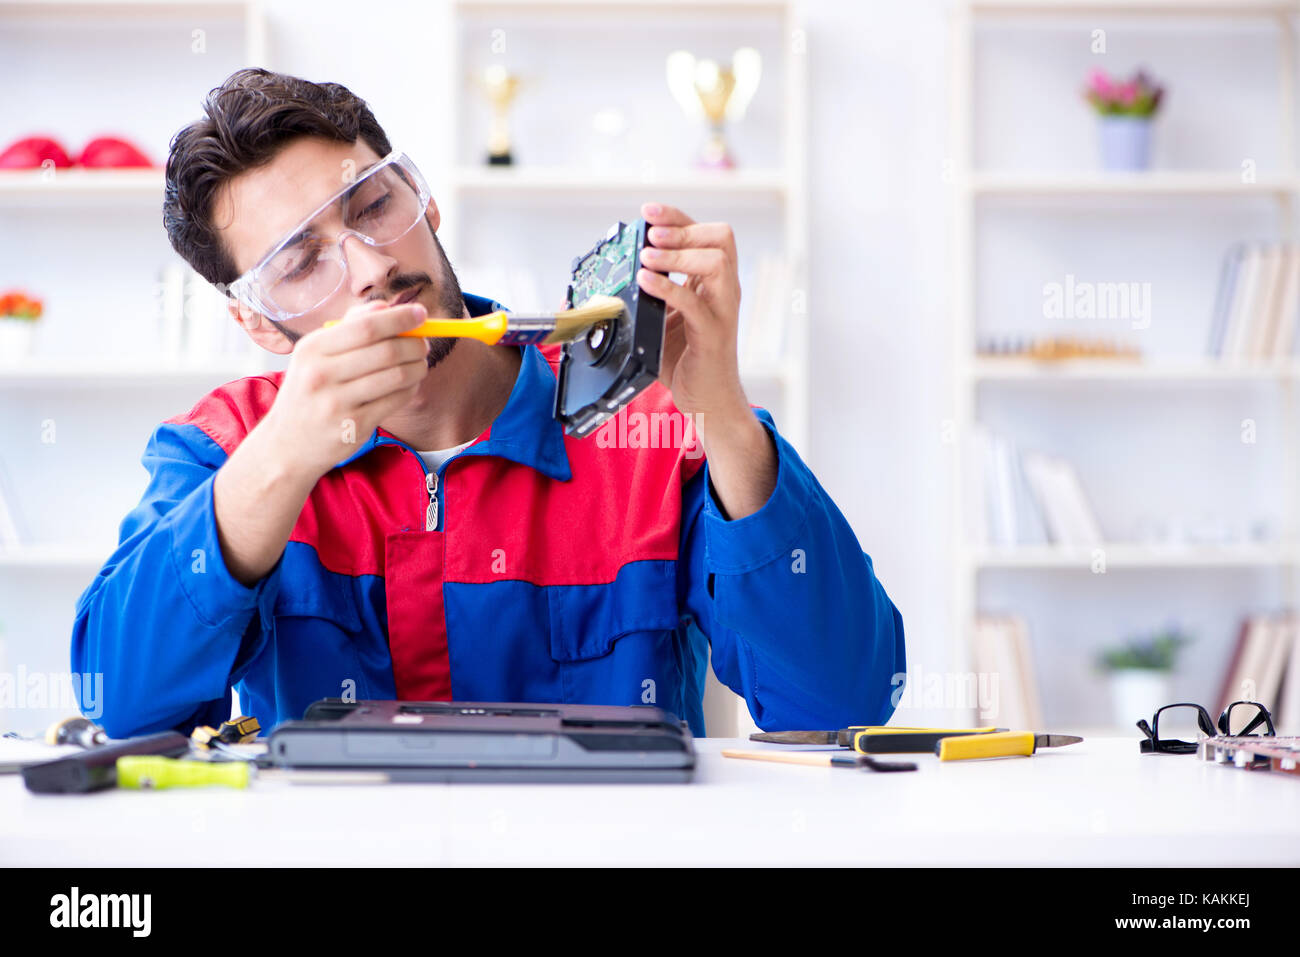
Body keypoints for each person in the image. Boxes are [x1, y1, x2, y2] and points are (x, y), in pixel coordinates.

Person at [70, 68, 904, 738]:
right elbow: (120, 703)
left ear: (425, 202)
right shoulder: (222, 448)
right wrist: (280, 462)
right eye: (299, 262)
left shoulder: (647, 426)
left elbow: (844, 698)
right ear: (257, 321)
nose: (368, 268)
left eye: (373, 207)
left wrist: (720, 412)